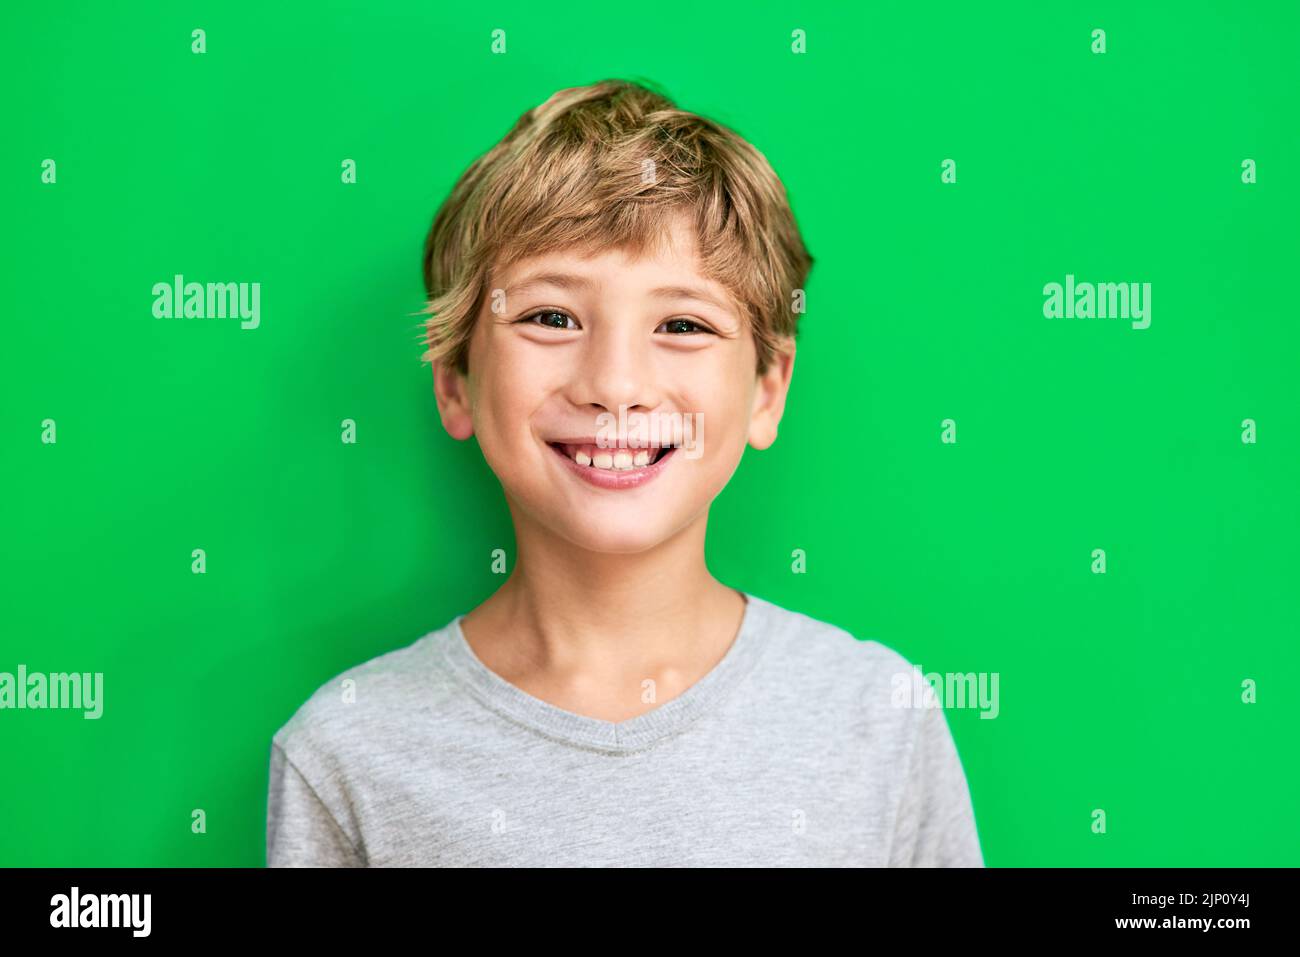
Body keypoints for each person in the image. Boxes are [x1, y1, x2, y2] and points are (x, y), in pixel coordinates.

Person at [266, 78, 983, 867]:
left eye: (682, 324)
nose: (615, 383)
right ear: (454, 380)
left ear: (767, 391)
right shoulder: (347, 751)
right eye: (551, 317)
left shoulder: (879, 716)